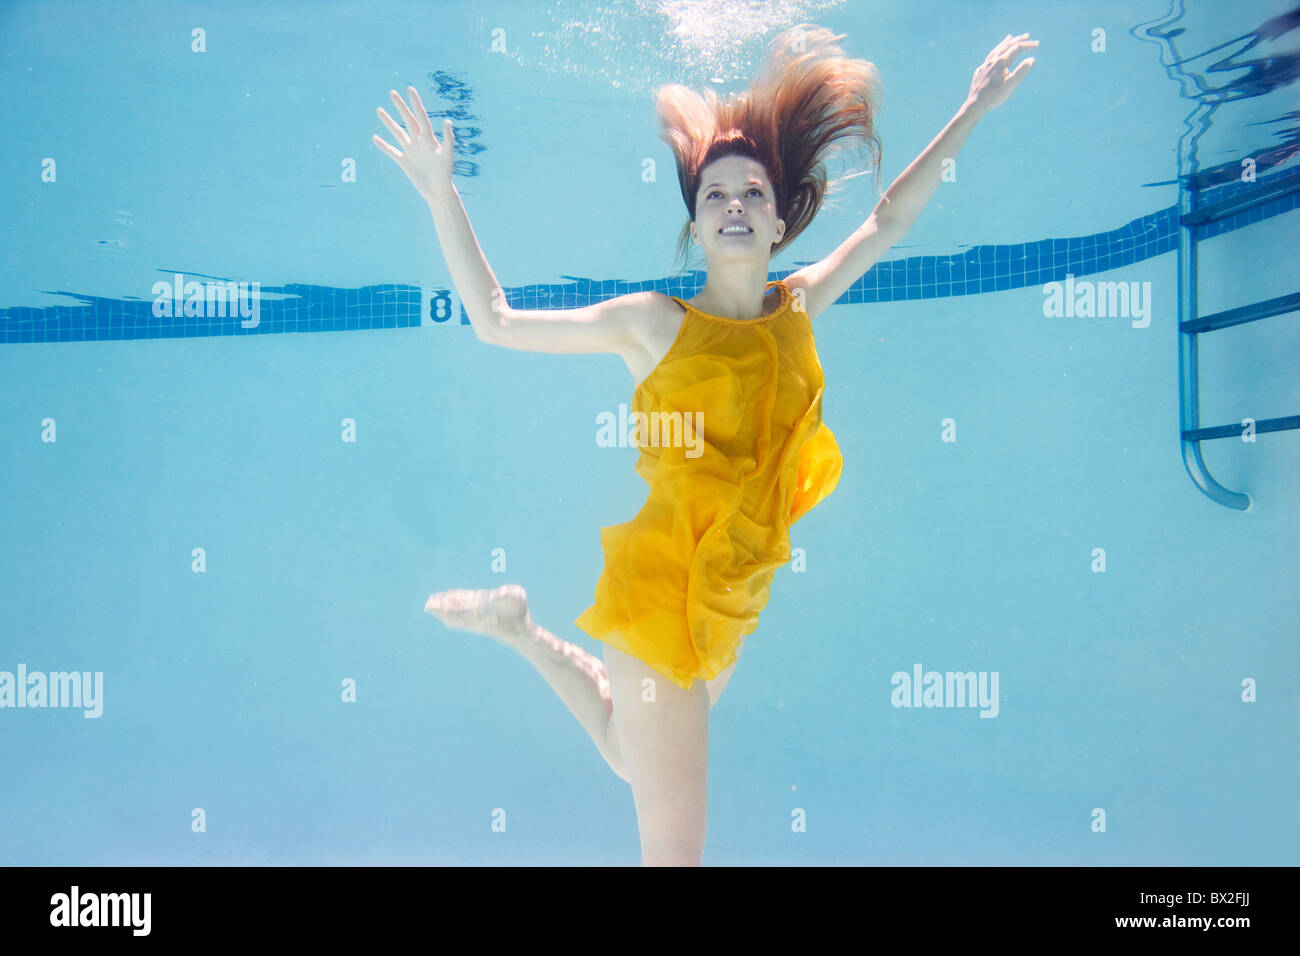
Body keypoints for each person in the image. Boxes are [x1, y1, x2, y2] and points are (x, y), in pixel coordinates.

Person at [374, 25, 1035, 866]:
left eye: (753, 194)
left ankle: (518, 630)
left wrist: (974, 108)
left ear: (779, 220)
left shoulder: (797, 307)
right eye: (715, 194)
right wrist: (440, 190)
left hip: (734, 596)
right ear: (694, 219)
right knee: (674, 850)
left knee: (630, 753)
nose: (733, 206)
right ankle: (518, 633)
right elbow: (495, 322)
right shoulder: (652, 325)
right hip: (664, 597)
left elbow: (889, 220)